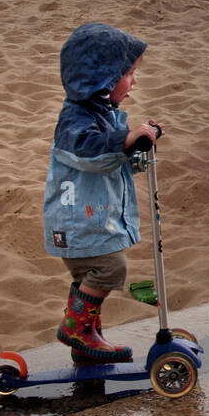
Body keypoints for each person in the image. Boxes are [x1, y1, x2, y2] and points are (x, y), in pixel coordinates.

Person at [43, 23, 161, 364]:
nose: (134, 81)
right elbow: (88, 153)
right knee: (110, 269)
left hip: (89, 221)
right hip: (78, 221)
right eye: (128, 73)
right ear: (103, 80)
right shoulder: (75, 121)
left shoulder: (103, 115)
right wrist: (124, 140)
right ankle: (76, 329)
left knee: (89, 277)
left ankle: (86, 336)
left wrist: (137, 148)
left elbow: (114, 163)